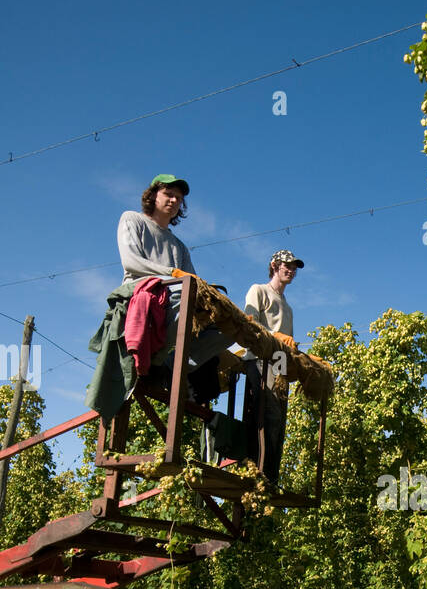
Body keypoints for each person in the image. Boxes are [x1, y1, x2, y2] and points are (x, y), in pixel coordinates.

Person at [116, 174, 232, 400]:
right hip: (140, 292)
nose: (174, 201)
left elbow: (193, 281)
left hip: (177, 295)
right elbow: (131, 262)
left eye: (179, 198)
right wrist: (172, 273)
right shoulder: (132, 219)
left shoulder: (180, 246)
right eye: (168, 194)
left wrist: (215, 299)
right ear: (152, 196)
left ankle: (170, 368)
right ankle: (153, 362)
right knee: (183, 295)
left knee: (227, 324)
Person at [241, 251, 302, 483]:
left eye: (294, 267)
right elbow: (249, 323)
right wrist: (275, 336)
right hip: (260, 360)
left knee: (278, 422)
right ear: (274, 266)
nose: (291, 270)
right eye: (287, 266)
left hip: (280, 365)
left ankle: (270, 478)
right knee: (261, 416)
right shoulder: (259, 290)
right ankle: (253, 471)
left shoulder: (288, 307)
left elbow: (288, 343)